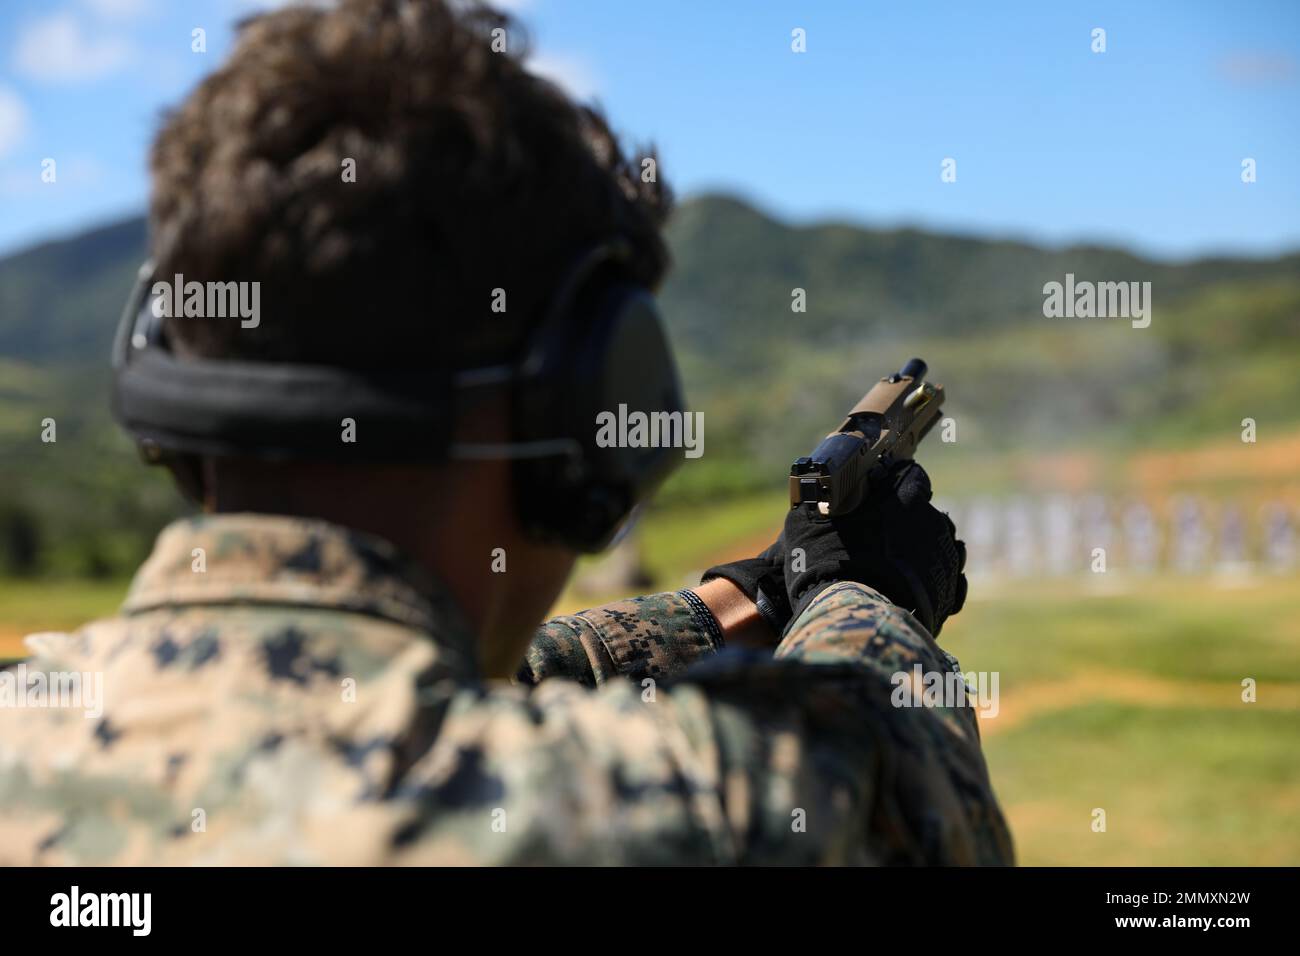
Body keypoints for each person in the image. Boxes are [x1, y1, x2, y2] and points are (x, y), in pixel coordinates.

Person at [0, 0, 1012, 865]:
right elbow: (889, 778)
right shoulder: (674, 812)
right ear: (581, 414)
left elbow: (347, 685)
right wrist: (870, 599)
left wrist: (743, 599)